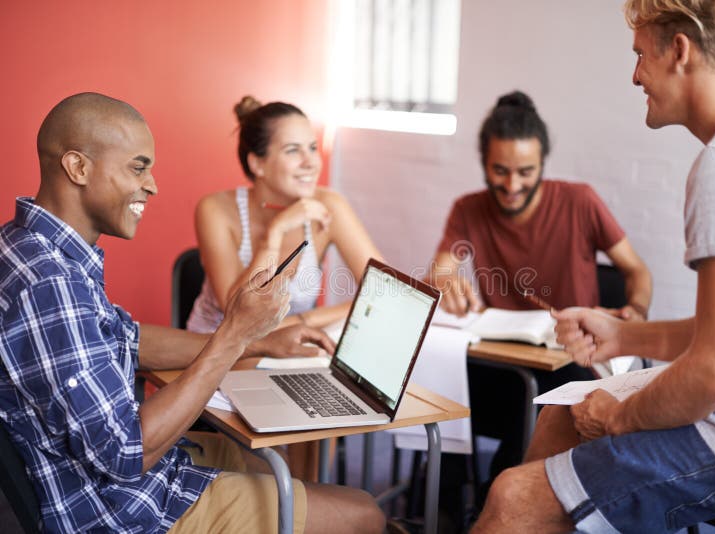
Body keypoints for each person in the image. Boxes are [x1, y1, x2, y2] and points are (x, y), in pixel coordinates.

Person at [474, 1, 715, 532]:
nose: (635, 75)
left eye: (640, 56)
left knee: (513, 497)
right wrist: (625, 337)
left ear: (680, 51)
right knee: (562, 415)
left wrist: (620, 416)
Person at [0, 92, 385, 533]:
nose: (153, 185)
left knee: (273, 467)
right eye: (138, 167)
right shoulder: (51, 283)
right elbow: (127, 453)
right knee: (364, 513)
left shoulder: (29, 247)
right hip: (120, 509)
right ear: (78, 168)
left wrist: (263, 341)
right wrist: (235, 336)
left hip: (116, 483)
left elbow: (129, 338)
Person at [428, 90, 652, 517]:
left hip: (568, 363)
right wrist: (446, 280)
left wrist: (636, 312)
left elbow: (638, 271)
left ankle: (497, 505)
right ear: (483, 162)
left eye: (525, 172)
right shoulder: (468, 209)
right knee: (441, 384)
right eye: (499, 171)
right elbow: (439, 271)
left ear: (544, 163)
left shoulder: (580, 201)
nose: (512, 185)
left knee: (536, 400)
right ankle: (446, 505)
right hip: (502, 365)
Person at [187, 96, 381, 334]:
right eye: (293, 151)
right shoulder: (215, 210)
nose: (310, 162)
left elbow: (383, 291)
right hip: (211, 350)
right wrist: (275, 232)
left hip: (286, 352)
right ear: (257, 164)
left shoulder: (329, 206)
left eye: (312, 148)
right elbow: (236, 316)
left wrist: (300, 323)